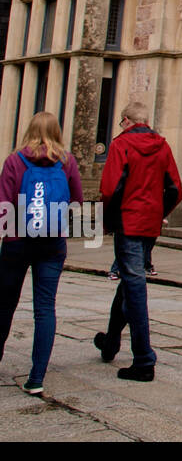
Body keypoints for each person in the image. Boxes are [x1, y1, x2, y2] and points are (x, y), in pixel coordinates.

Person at [94, 102, 182, 382]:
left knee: (134, 285)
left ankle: (144, 359)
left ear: (125, 121)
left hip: (129, 222)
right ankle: (110, 342)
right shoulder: (163, 146)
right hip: (149, 224)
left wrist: (109, 221)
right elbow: (175, 189)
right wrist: (159, 213)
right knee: (129, 280)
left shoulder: (121, 145)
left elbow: (110, 188)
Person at [0, 112, 83, 395]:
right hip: (52, 242)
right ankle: (36, 377)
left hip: (18, 240)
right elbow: (77, 202)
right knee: (45, 308)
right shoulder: (67, 161)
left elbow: (4, 203)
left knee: (5, 304)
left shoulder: (14, 160)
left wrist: (9, 234)